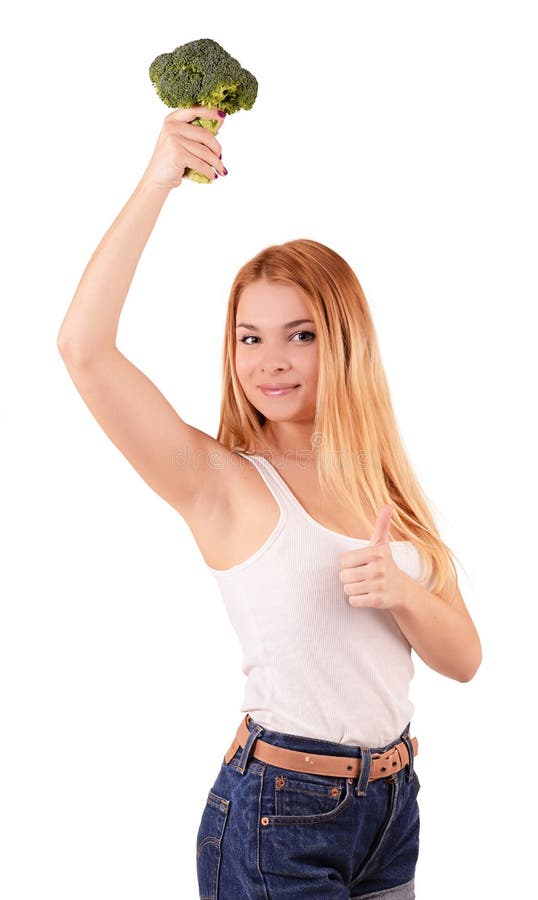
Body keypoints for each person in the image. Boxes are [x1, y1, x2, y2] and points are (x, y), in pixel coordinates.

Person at [57, 105, 482, 899]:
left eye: (300, 334)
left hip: (392, 809)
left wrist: (403, 595)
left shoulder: (384, 483)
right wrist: (158, 183)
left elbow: (464, 659)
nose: (270, 361)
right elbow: (84, 351)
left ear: (344, 341)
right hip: (278, 819)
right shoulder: (224, 481)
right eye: (249, 338)